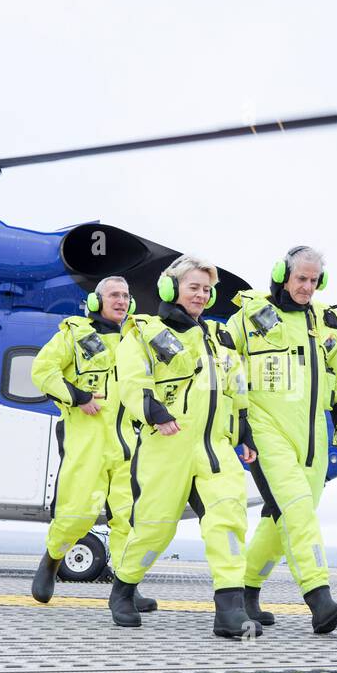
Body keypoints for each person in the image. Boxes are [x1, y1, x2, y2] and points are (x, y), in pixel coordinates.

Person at [111, 256, 261, 637]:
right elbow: (130, 380)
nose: (201, 295)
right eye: (194, 286)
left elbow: (236, 385)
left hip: (215, 447)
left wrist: (244, 430)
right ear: (170, 287)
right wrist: (154, 411)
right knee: (156, 527)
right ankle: (124, 588)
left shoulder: (217, 336)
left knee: (229, 518)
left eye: (207, 290)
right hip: (168, 443)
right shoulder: (144, 332)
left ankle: (229, 610)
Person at [227, 246, 337, 633]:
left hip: (314, 437)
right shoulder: (251, 316)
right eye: (301, 278)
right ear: (282, 275)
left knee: (281, 517)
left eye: (313, 280)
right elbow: (222, 363)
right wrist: (236, 422)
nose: (307, 287)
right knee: (298, 509)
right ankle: (319, 599)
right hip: (266, 427)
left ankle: (246, 590)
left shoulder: (328, 323)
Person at [28, 276, 156, 612]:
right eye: (114, 295)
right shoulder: (75, 334)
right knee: (77, 514)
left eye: (126, 295)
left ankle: (127, 586)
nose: (122, 301)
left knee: (128, 518)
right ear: (97, 301)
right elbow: (42, 370)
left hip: (129, 442)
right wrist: (76, 395)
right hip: (87, 443)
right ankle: (53, 559)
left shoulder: (138, 340)